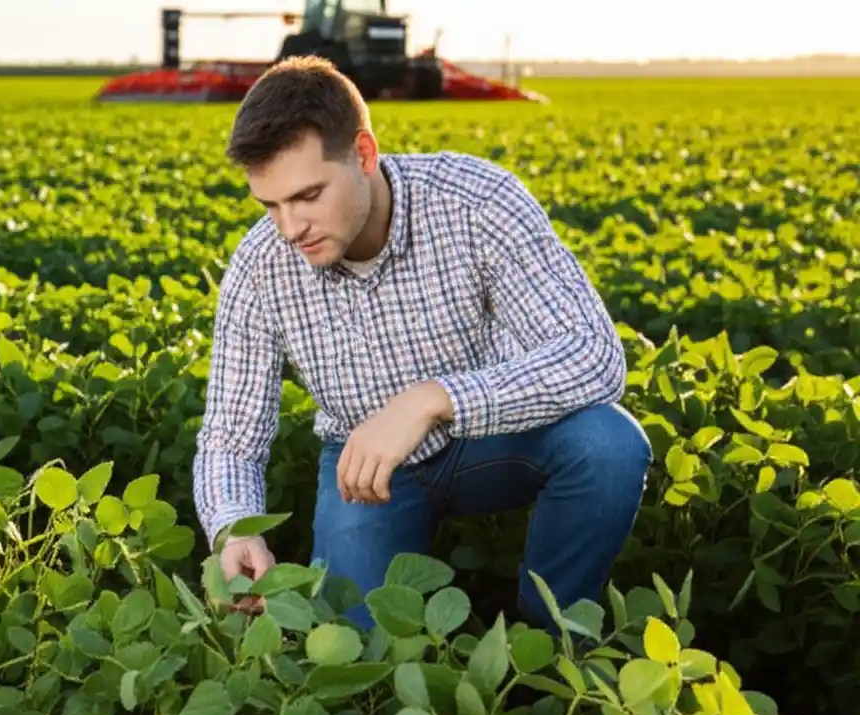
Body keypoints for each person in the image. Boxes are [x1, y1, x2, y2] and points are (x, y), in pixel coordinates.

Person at [190, 55, 652, 632]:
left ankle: (555, 637)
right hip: (364, 471)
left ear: (363, 153)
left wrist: (431, 399)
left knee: (608, 445)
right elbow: (231, 437)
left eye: (308, 195)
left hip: (491, 436)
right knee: (354, 643)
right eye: (271, 205)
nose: (290, 228)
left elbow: (593, 354)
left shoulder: (474, 203)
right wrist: (235, 527)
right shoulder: (261, 267)